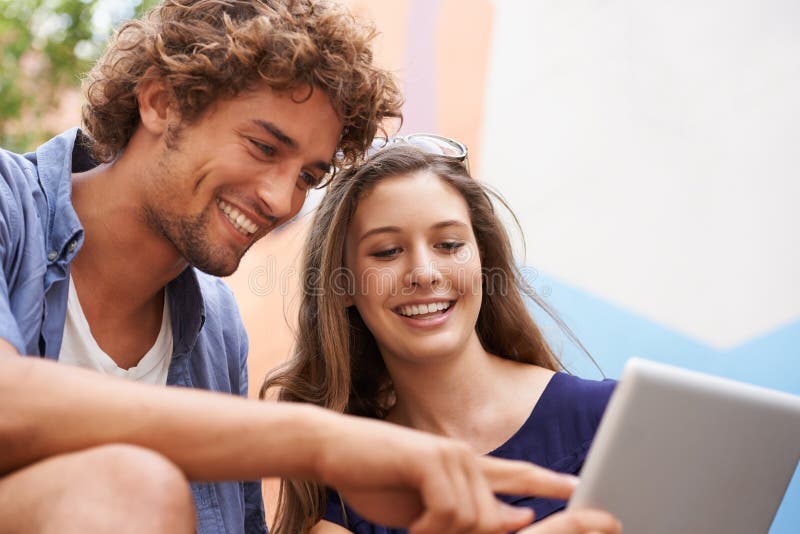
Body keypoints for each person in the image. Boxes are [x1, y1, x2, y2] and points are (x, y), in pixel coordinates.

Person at [0, 1, 588, 533]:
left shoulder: (215, 329)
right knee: (132, 488)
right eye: (263, 147)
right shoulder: (9, 206)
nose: (283, 201)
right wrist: (321, 443)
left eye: (308, 176)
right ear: (161, 102)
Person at [262, 141, 622, 534]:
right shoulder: (346, 510)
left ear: (483, 260)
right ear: (343, 285)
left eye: (449, 245)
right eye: (387, 251)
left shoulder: (616, 420)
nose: (424, 272)